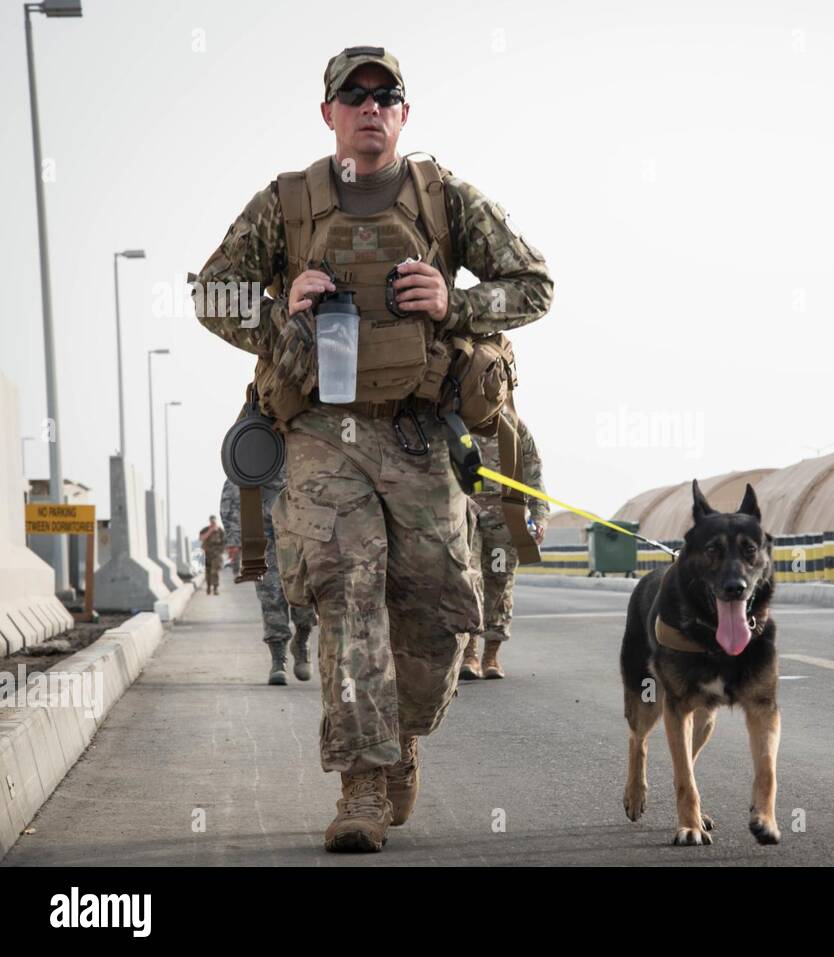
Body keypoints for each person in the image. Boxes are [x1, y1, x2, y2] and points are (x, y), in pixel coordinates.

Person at [190, 45, 552, 853]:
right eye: (352, 97)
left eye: (385, 95)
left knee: (436, 617)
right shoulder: (285, 204)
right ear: (328, 114)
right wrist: (279, 308)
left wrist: (456, 302)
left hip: (420, 431)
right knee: (348, 590)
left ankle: (404, 738)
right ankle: (359, 783)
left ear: (403, 112)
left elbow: (535, 285)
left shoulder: (444, 197)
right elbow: (211, 293)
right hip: (322, 432)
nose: (369, 108)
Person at [463, 417, 548, 680]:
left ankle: (491, 656)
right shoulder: (458, 421)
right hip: (466, 513)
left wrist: (540, 516)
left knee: (500, 583)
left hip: (506, 516)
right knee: (468, 580)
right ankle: (469, 653)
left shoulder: (515, 428)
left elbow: (533, 474)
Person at [221, 471, 319, 685]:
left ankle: (302, 639)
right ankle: (278, 659)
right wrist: (234, 536)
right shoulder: (255, 443)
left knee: (304, 592)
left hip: (300, 530)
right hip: (261, 532)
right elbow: (234, 480)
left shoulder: (301, 443)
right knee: (270, 596)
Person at [199, 515, 226, 595]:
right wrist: (210, 531)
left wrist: (222, 551)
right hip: (207, 554)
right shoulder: (205, 529)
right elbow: (201, 538)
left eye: (214, 521)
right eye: (211, 522)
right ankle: (208, 587)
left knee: (215, 571)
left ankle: (215, 588)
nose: (213, 523)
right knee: (208, 572)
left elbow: (224, 542)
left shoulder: (220, 530)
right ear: (209, 522)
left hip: (217, 555)